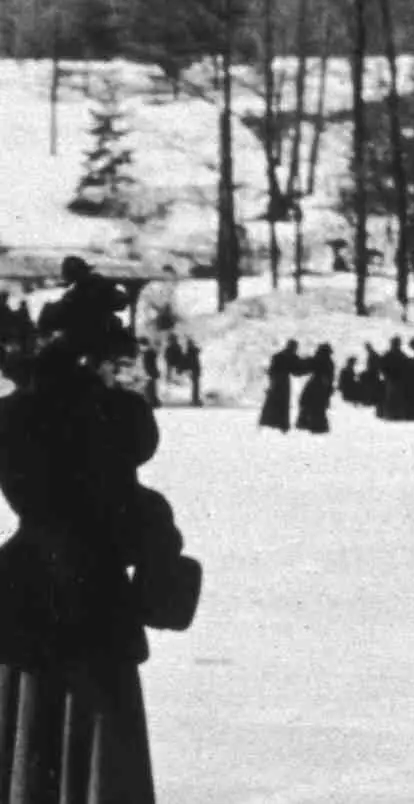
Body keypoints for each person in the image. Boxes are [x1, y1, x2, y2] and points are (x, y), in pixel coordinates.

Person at [0, 284, 200, 801]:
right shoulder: (111, 424)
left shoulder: (14, 415)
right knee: (97, 746)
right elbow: (124, 506)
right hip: (95, 601)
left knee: (27, 734)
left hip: (20, 589)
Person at [260, 339, 302, 432]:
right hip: (283, 383)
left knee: (272, 402)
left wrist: (271, 380)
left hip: (275, 381)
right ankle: (281, 424)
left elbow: (271, 370)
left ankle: (268, 422)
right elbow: (297, 371)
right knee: (283, 403)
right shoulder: (292, 357)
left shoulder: (277, 356)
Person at [296, 343, 337, 435]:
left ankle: (311, 425)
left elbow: (307, 366)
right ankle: (315, 426)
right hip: (323, 387)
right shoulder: (329, 362)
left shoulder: (322, 360)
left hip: (317, 386)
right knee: (316, 406)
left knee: (309, 403)